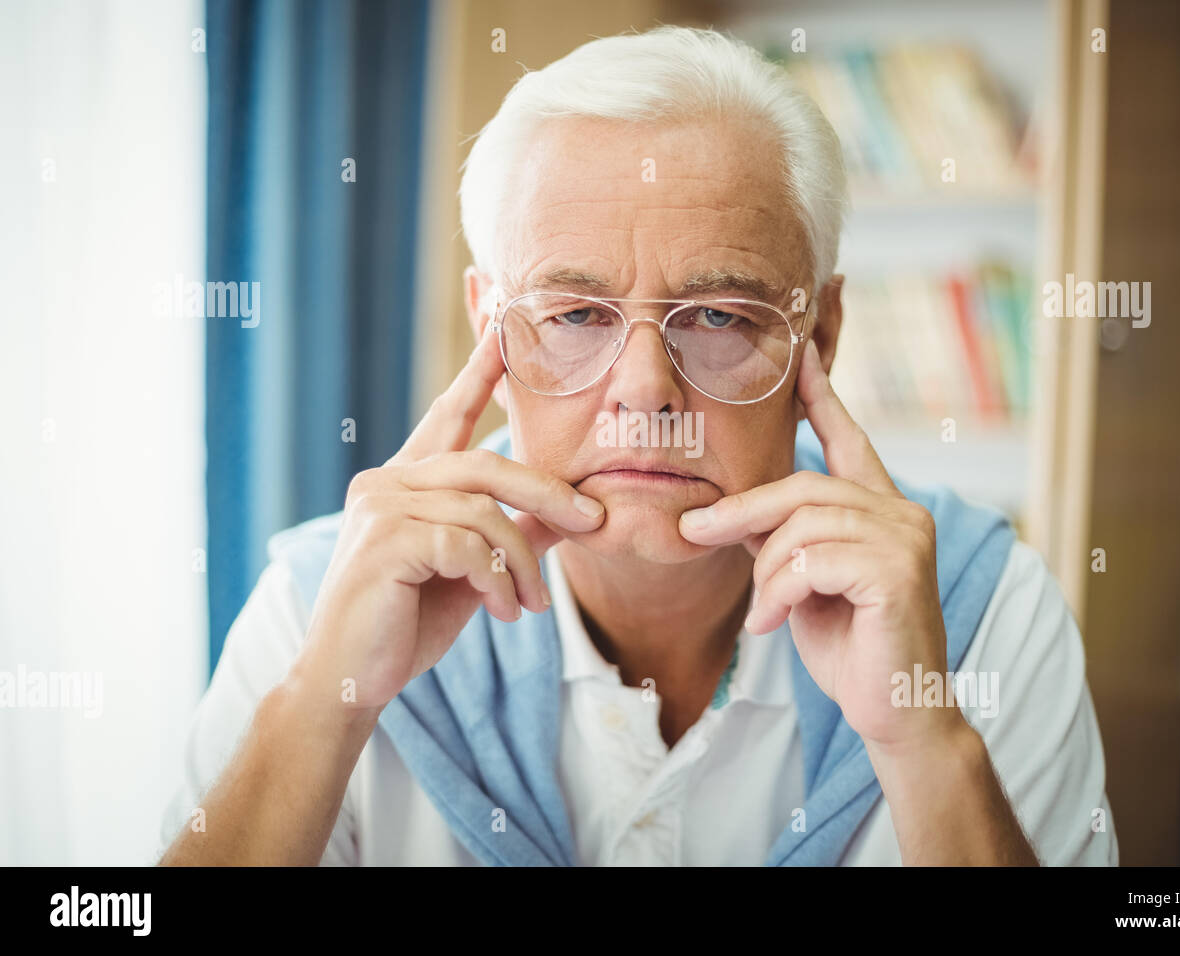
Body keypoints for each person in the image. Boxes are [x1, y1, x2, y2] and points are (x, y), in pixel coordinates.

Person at [158, 25, 1117, 866]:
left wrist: (924, 744)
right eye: (576, 314)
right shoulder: (321, 605)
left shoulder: (982, 609)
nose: (646, 388)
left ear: (819, 339)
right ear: (491, 331)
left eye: (719, 315)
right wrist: (324, 704)